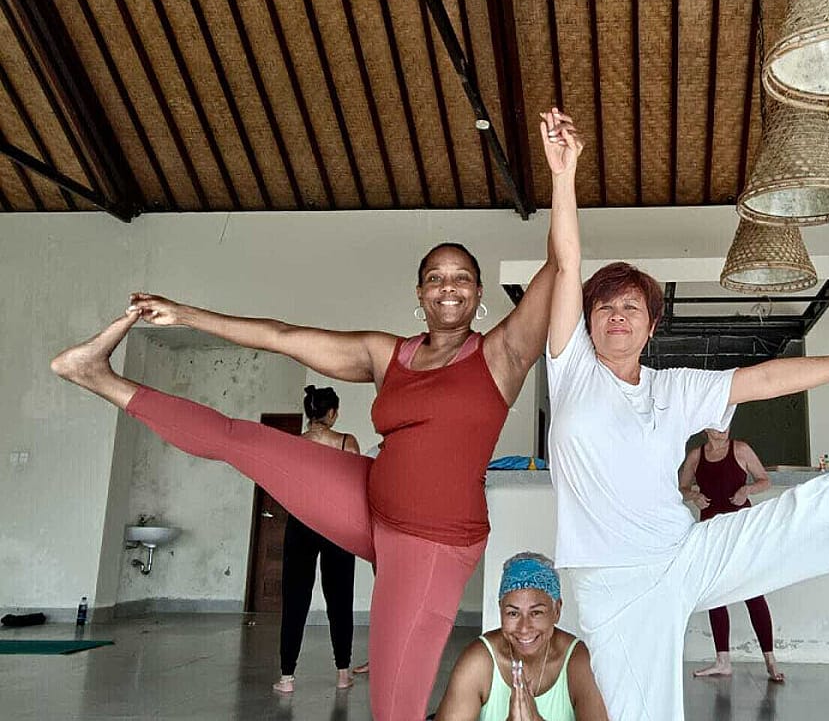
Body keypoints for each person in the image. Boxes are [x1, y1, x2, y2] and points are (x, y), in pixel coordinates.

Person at [49, 118, 565, 720]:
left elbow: (559, 264)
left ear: (478, 295)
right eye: (435, 277)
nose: (448, 286)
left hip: (431, 545)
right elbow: (283, 335)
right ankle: (97, 375)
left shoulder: (499, 354)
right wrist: (185, 314)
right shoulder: (386, 353)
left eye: (462, 279)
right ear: (419, 293)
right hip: (371, 502)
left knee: (393, 709)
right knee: (240, 439)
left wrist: (563, 175)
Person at [540, 107, 829, 721]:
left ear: (650, 326)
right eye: (605, 308)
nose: (616, 316)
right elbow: (567, 263)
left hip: (683, 550)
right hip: (610, 578)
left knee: (805, 515)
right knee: (632, 709)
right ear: (588, 323)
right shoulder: (570, 371)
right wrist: (564, 177)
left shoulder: (673, 387)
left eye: (631, 307)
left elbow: (765, 379)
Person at [433, 552, 609, 721]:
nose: (524, 628)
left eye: (536, 613)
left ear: (556, 610)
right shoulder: (479, 660)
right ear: (500, 609)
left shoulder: (578, 662)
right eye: (513, 614)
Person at [273, 385, 361, 695]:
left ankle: (287, 678)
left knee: (295, 600)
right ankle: (342, 673)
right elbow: (356, 487)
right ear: (332, 413)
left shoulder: (293, 445)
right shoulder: (346, 443)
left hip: (301, 525)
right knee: (340, 600)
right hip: (337, 526)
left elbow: (284, 488)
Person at [678, 428, 783, 683]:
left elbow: (764, 480)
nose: (723, 429)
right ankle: (722, 660)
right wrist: (693, 495)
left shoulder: (740, 449)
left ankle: (770, 659)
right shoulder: (696, 455)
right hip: (711, 532)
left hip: (740, 532)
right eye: (718, 424)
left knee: (752, 592)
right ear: (706, 427)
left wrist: (746, 491)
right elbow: (680, 487)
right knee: (715, 594)